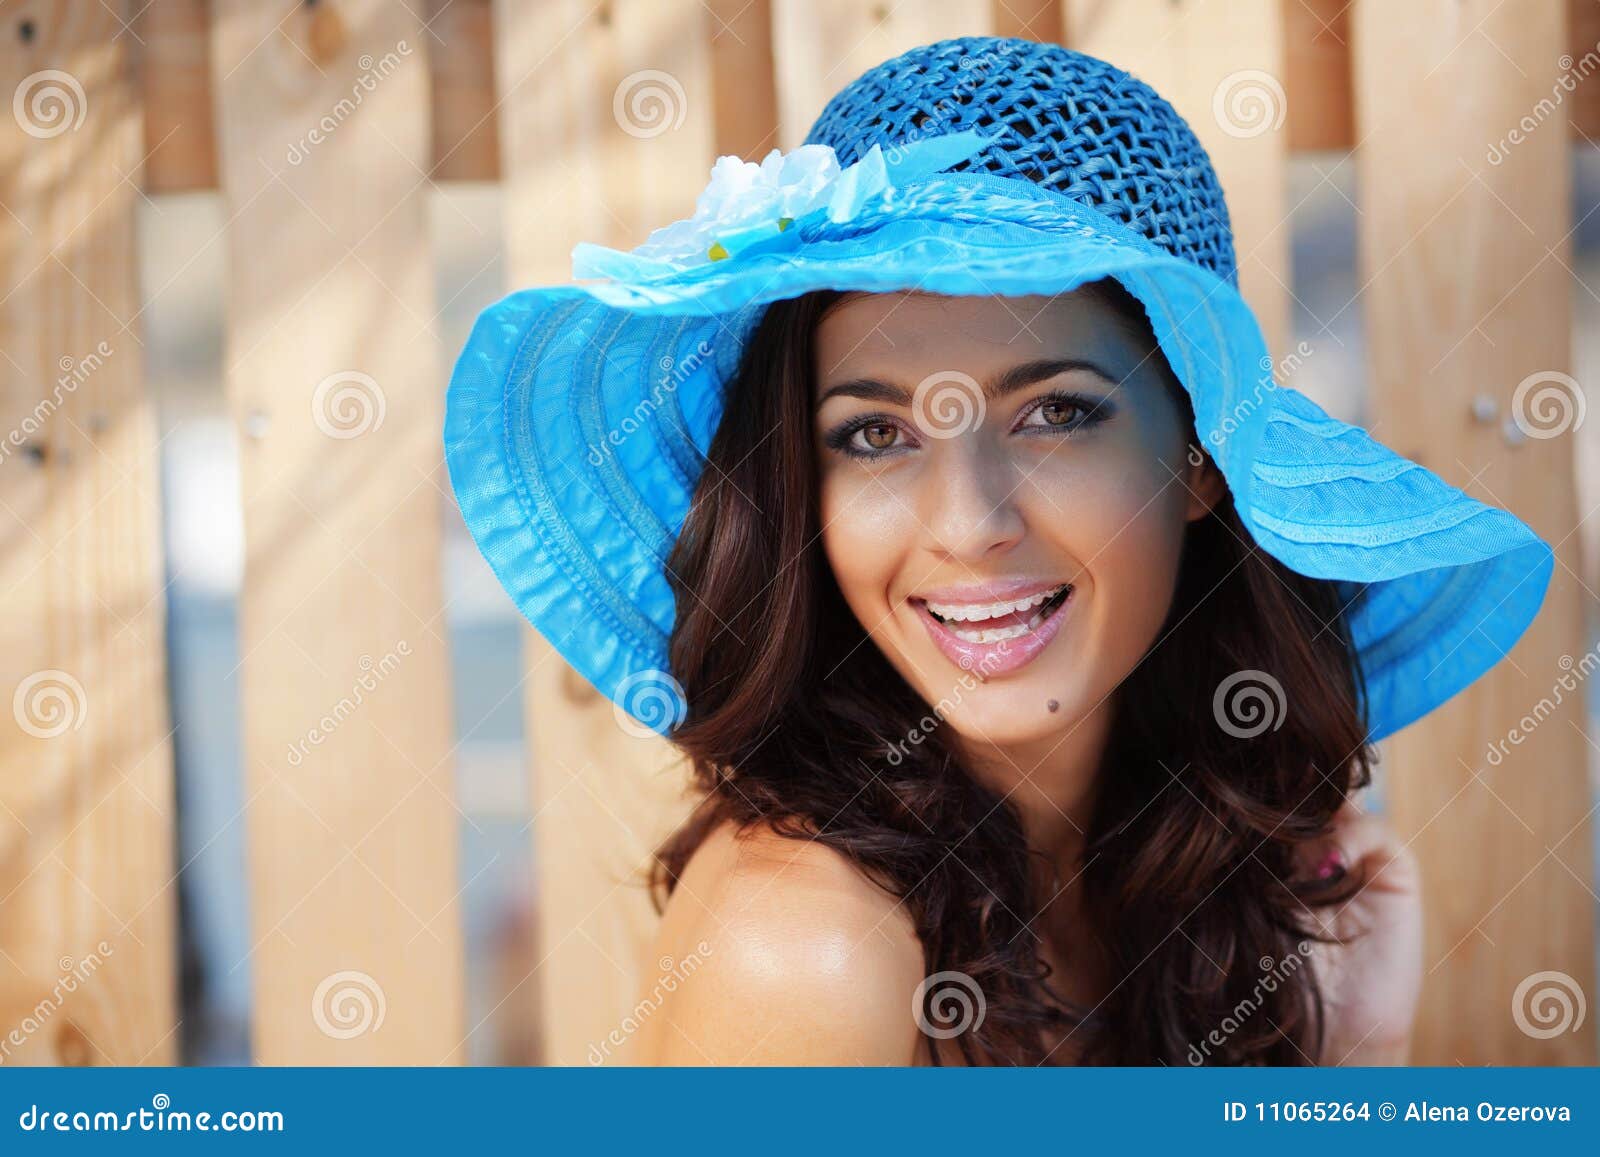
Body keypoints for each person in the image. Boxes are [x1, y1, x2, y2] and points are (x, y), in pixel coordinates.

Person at [445, 37, 1550, 1065]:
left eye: (1055, 414)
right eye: (874, 434)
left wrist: (1347, 1048)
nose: (969, 523)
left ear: (1203, 458)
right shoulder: (804, 944)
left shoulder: (1196, 879)